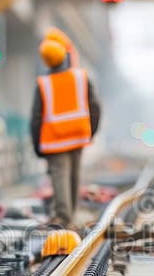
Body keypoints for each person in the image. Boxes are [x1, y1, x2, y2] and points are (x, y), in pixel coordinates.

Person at [30, 38, 101, 227]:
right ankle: (71, 216)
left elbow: (36, 117)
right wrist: (91, 132)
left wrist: (37, 146)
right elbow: (95, 106)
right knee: (74, 175)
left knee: (60, 175)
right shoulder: (81, 77)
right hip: (78, 136)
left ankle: (63, 217)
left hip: (54, 139)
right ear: (64, 57)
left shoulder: (44, 83)